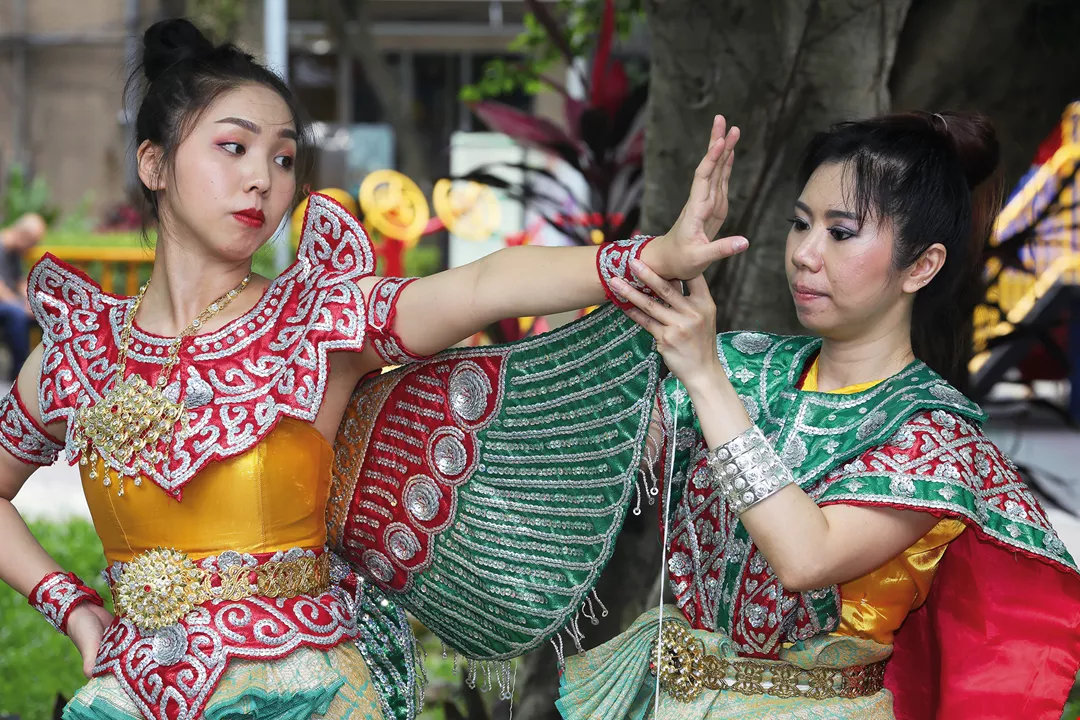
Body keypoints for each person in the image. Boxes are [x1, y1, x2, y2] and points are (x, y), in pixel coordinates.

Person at [0, 18, 743, 720]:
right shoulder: (79, 352)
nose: (263, 179)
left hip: (303, 690)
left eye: (284, 157)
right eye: (234, 147)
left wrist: (652, 259)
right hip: (131, 691)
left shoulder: (318, 321)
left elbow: (483, 285)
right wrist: (70, 604)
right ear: (154, 163)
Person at [556, 112, 1080, 719]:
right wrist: (663, 261)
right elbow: (585, 452)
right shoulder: (738, 364)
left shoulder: (936, 436)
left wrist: (702, 376)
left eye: (842, 232)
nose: (805, 254)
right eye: (800, 224)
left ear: (922, 266)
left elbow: (806, 558)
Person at [0, 212, 46, 381]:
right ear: (24, 236)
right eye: (33, 243)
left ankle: (45, 365)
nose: (32, 248)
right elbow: (1, 289)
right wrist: (22, 307)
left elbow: (19, 281)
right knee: (17, 314)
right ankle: (19, 371)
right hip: (6, 304)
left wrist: (31, 302)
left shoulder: (14, 253)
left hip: (10, 302)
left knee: (42, 311)